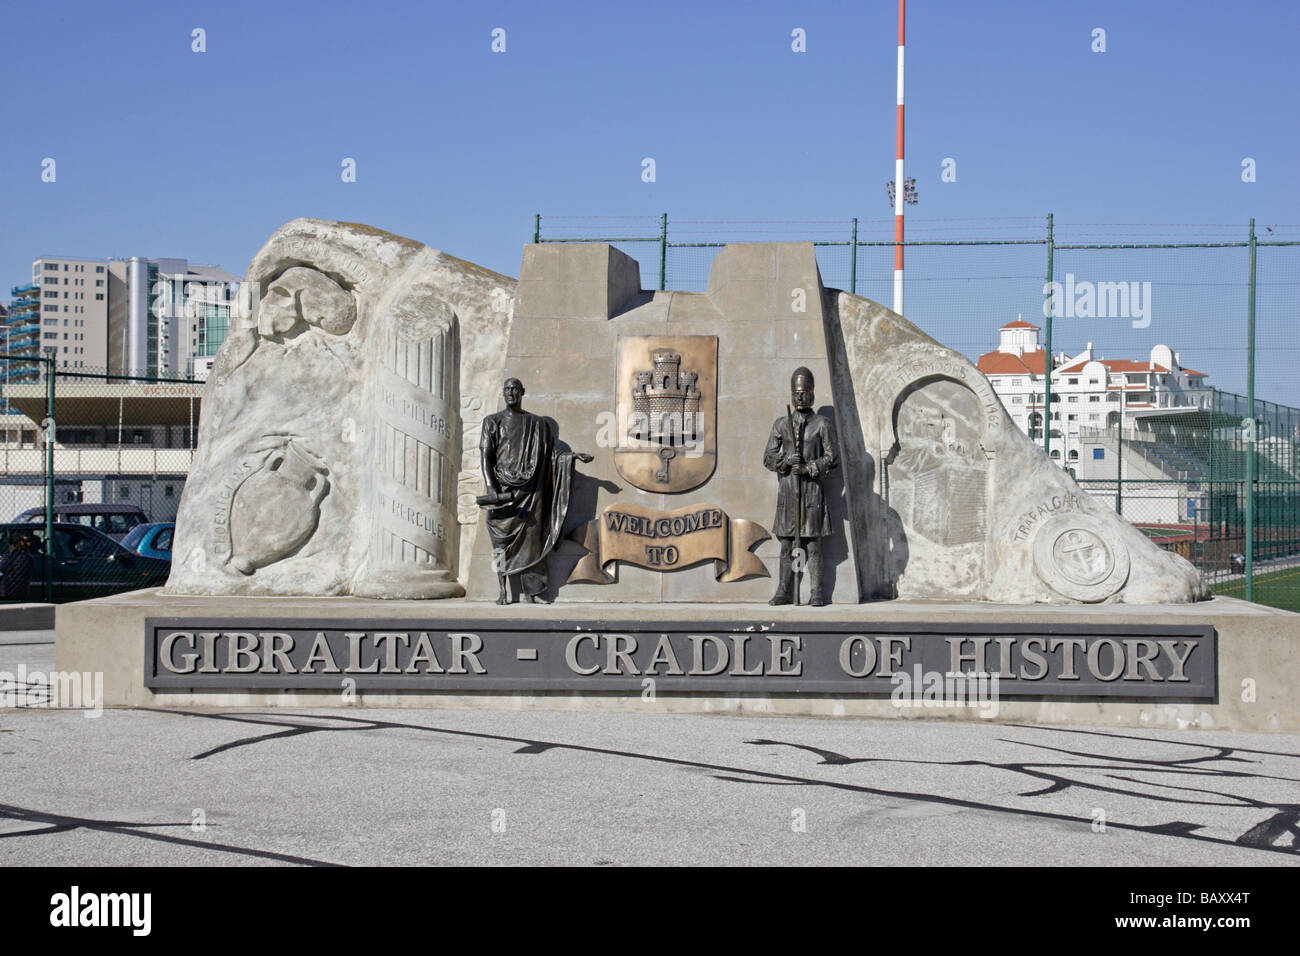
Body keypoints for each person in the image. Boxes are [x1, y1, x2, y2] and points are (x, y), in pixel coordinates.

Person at [480, 378, 592, 604]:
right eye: (507, 389)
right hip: (503, 492)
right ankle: (502, 590)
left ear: (522, 392)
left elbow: (550, 457)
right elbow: (486, 455)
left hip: (531, 492)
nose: (510, 393)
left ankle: (531, 591)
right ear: (503, 393)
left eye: (515, 389)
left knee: (532, 542)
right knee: (499, 544)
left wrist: (571, 457)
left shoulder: (537, 423)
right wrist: (492, 488)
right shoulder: (492, 421)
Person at [763, 367, 840, 606]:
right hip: (789, 491)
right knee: (787, 544)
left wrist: (809, 468)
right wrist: (786, 460)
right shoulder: (781, 424)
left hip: (812, 492)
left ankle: (817, 592)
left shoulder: (822, 424)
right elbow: (768, 457)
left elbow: (832, 457)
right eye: (796, 393)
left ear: (812, 393)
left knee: (813, 545)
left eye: (804, 392)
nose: (799, 397)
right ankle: (783, 591)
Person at [0, 533, 36, 601]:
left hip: (5, 593)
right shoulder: (29, 558)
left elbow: (1, 572)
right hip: (23, 593)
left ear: (12, 545)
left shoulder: (8, 557)